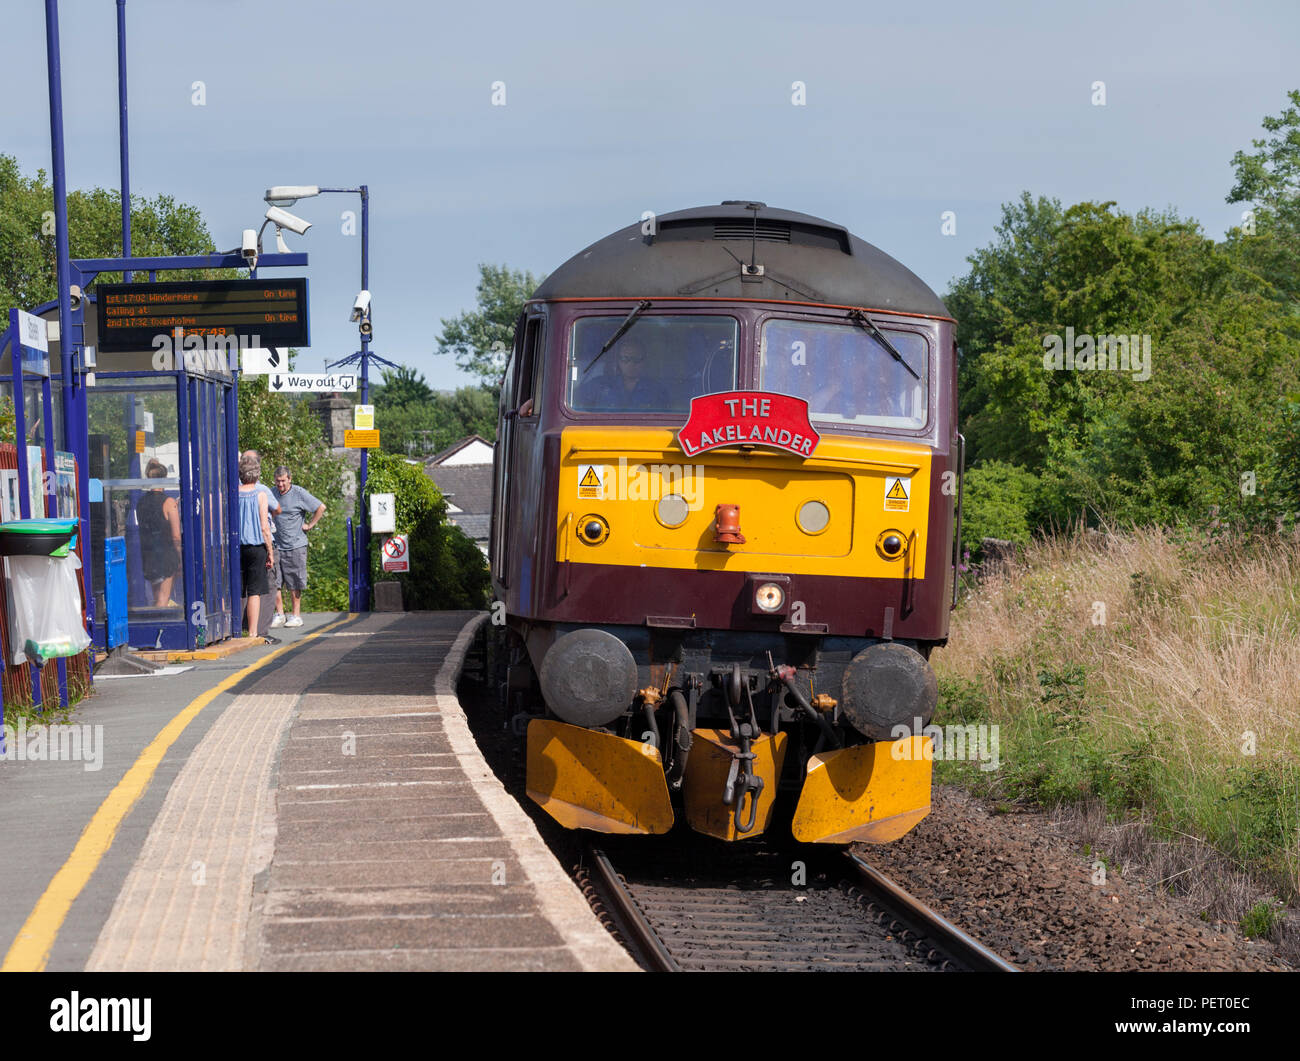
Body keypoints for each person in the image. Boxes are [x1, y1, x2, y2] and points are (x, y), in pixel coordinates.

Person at [269, 465, 325, 629]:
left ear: (290, 479)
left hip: (295, 545)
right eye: (278, 481)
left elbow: (320, 507)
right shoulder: (271, 493)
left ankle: (296, 615)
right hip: (276, 544)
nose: (280, 485)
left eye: (283, 481)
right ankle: (279, 613)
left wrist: (310, 525)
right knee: (275, 580)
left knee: (294, 581)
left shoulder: (299, 493)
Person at [241, 450, 281, 641]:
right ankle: (253, 632)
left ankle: (235, 628)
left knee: (239, 588)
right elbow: (265, 527)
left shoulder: (233, 493)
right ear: (256, 474)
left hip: (236, 546)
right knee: (255, 590)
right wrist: (271, 553)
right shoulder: (261, 493)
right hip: (256, 546)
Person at [137, 458, 182, 607]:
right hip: (166, 554)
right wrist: (180, 557)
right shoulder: (169, 502)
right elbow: (176, 535)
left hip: (148, 554)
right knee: (163, 598)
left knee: (156, 597)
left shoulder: (141, 502)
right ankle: (160, 627)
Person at [582, 340, 672, 412]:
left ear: (644, 362)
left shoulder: (657, 391)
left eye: (636, 359)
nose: (631, 364)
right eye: (625, 359)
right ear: (618, 361)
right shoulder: (599, 385)